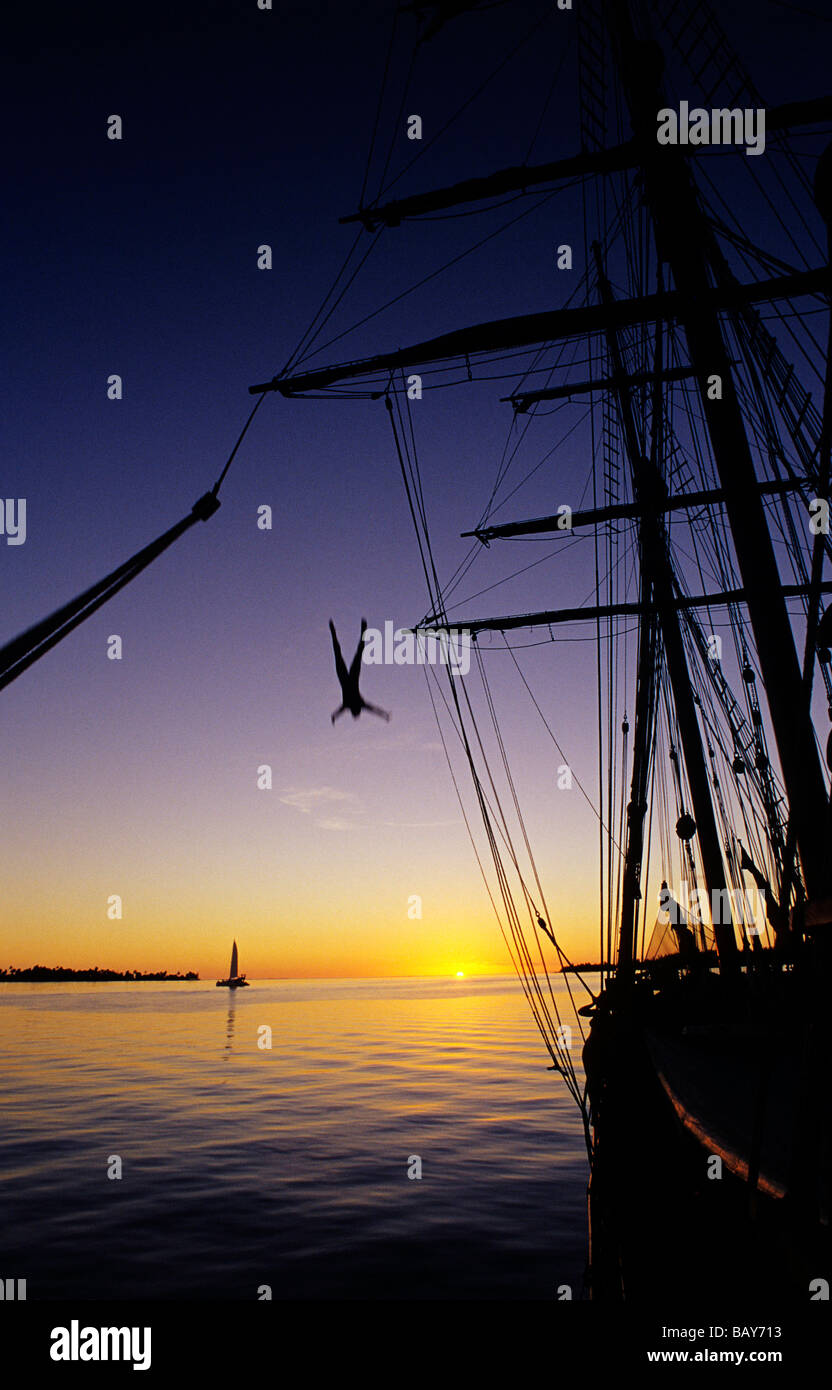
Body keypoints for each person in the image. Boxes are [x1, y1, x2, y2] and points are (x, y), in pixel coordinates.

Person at [329, 618, 391, 724]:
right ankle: (337, 631)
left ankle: (337, 631)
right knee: (344, 654)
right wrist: (384, 715)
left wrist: (335, 717)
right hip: (349, 678)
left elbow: (372, 709)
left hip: (347, 678)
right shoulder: (351, 705)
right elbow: (373, 709)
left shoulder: (351, 705)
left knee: (346, 654)